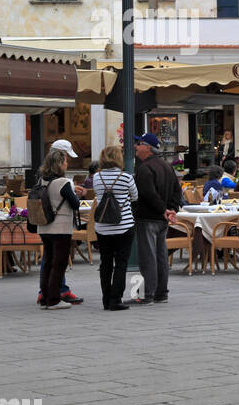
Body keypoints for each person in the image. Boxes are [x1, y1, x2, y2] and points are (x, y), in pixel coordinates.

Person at [133, 133, 180, 305]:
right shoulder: (167, 166)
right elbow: (177, 190)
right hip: (161, 219)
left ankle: (147, 294)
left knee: (148, 256)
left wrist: (164, 210)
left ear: (147, 147)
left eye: (138, 143)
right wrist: (171, 210)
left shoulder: (144, 168)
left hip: (148, 217)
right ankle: (162, 293)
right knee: (160, 255)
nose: (136, 147)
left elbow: (148, 193)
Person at [92, 144, 138, 311]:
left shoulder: (97, 178)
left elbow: (97, 195)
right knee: (121, 262)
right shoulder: (126, 177)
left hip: (102, 227)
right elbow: (135, 196)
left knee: (105, 263)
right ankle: (116, 299)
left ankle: (106, 299)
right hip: (124, 225)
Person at [36, 149, 81, 309]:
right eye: (65, 162)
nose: (67, 164)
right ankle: (54, 299)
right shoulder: (63, 183)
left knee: (47, 262)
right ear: (59, 164)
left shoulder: (42, 181)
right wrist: (78, 196)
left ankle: (45, 297)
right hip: (60, 228)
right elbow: (75, 204)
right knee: (59, 263)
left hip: (44, 227)